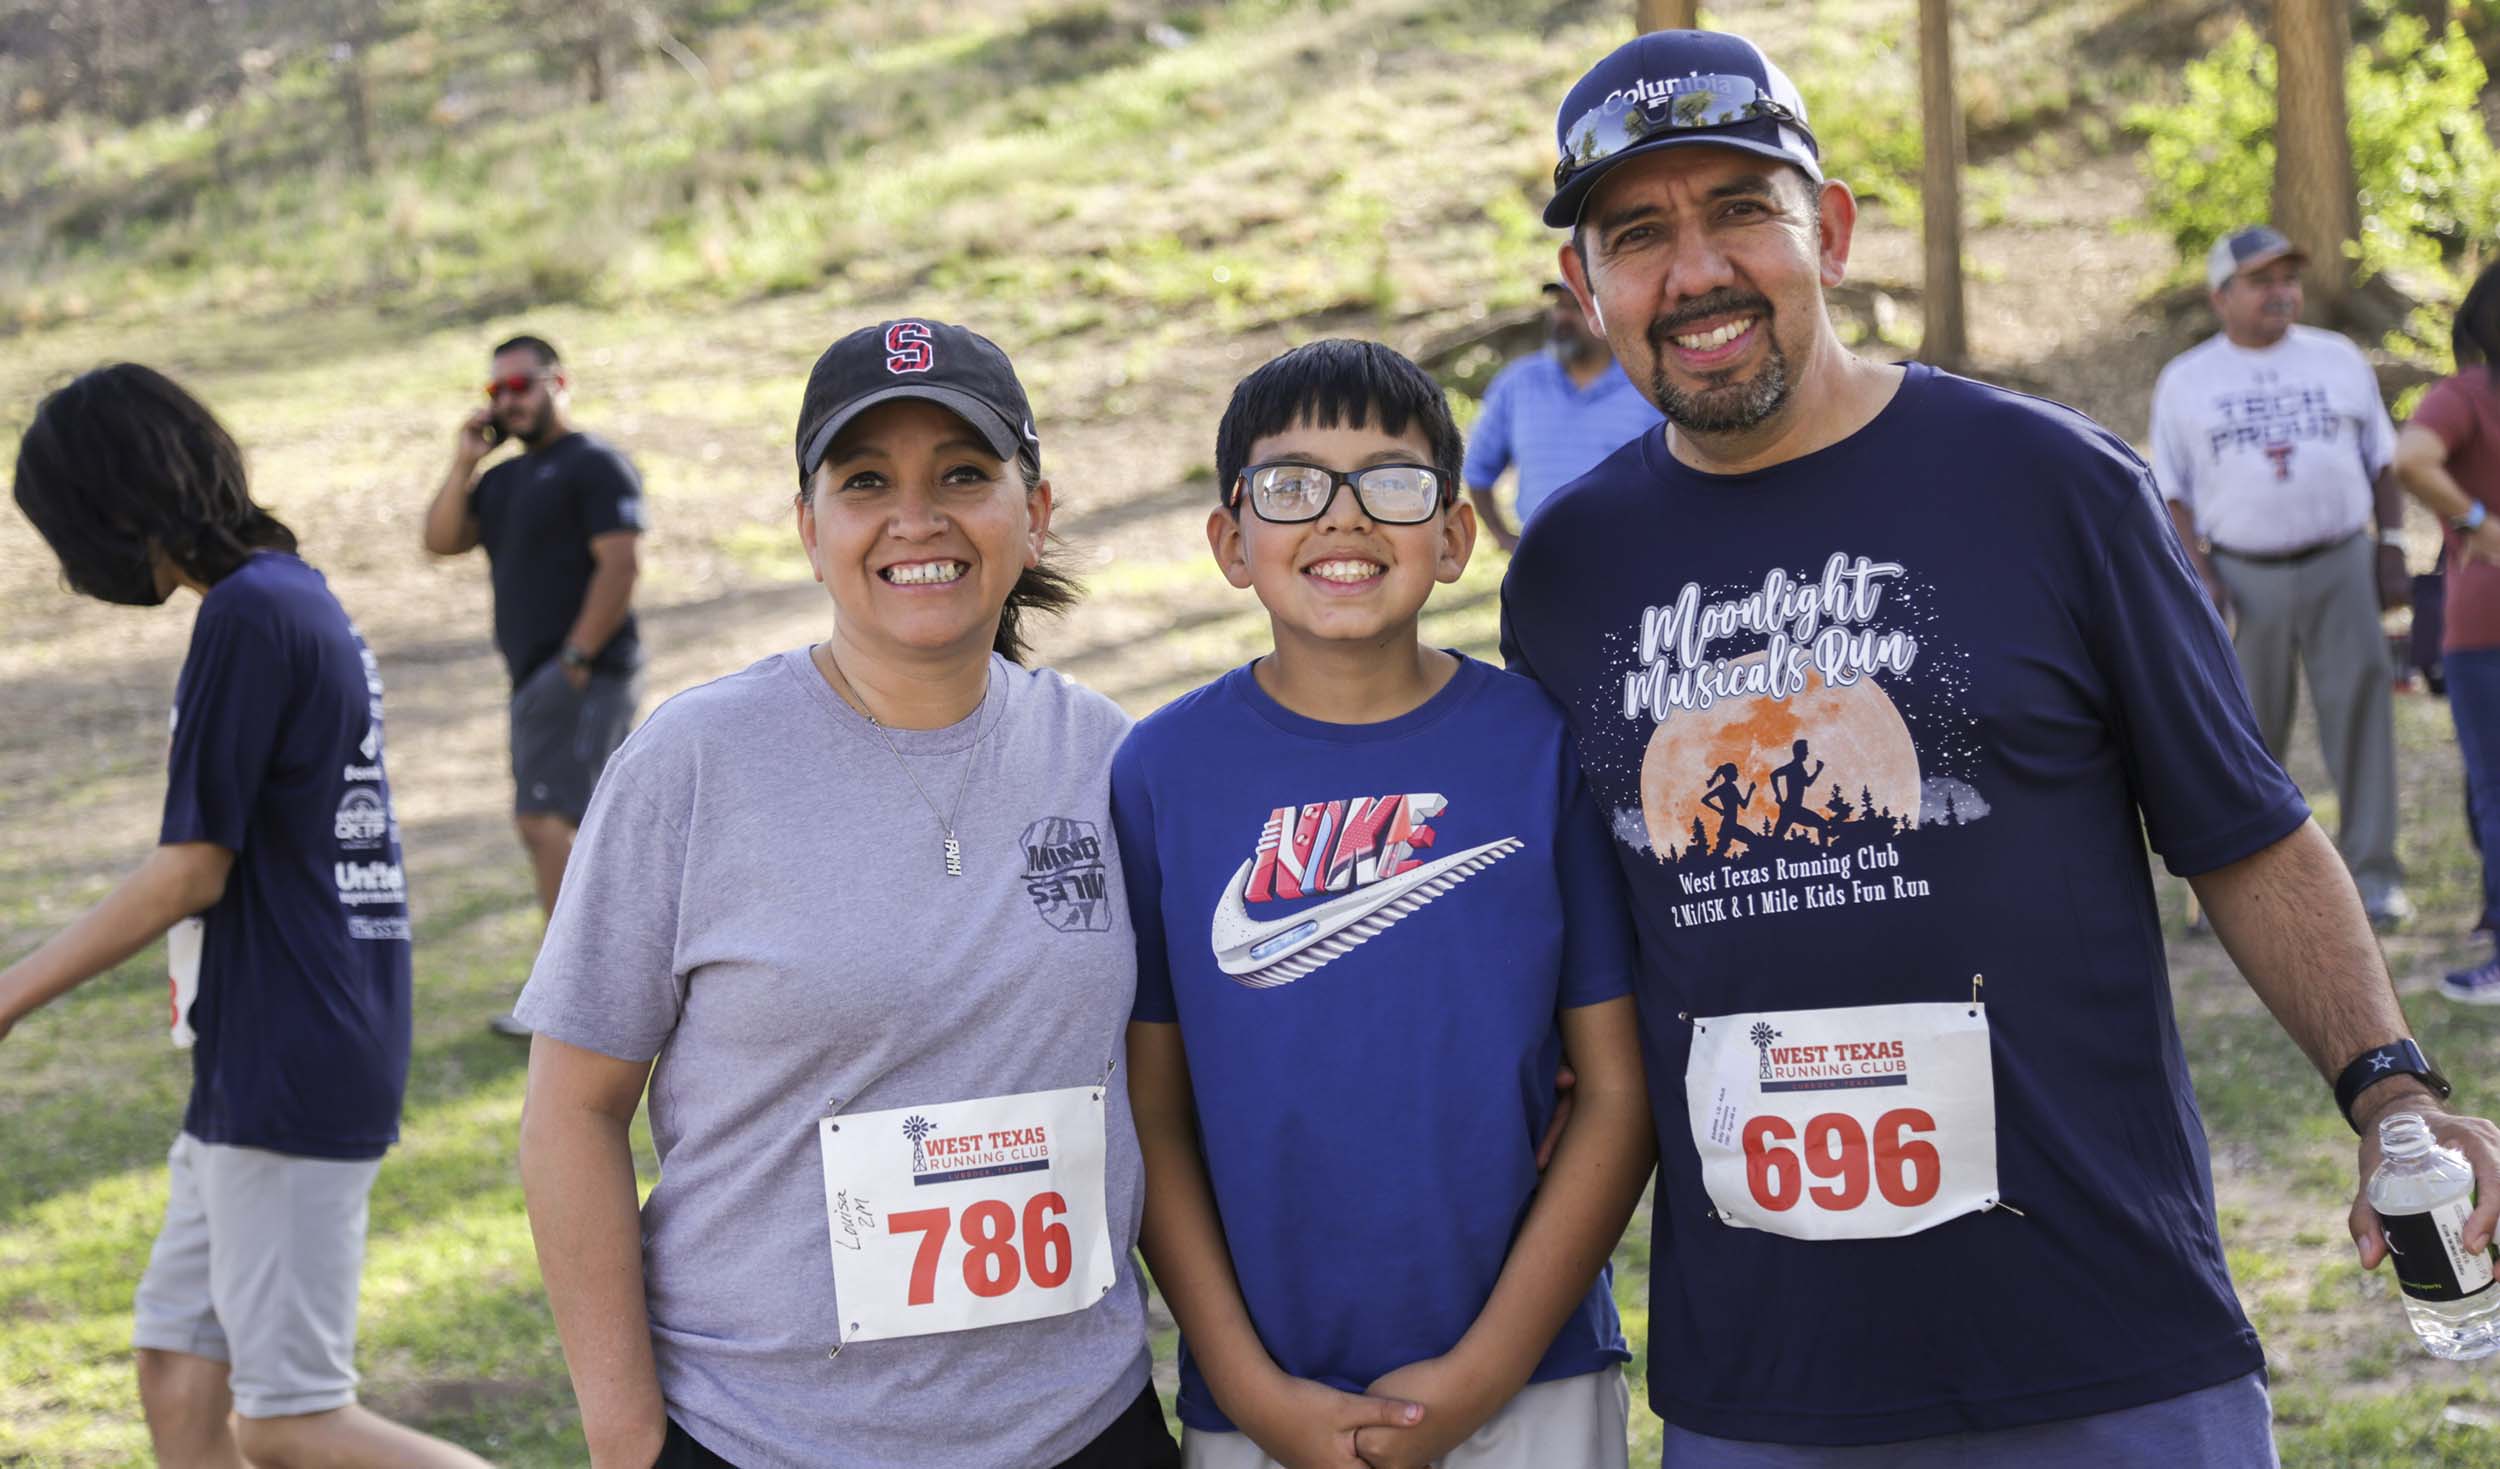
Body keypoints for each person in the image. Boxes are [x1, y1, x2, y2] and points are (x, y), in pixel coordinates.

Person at [1500, 29, 2500, 1463]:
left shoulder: (2051, 487)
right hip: (1768, 1383)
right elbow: (1567, 937)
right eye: (1637, 234)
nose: (1696, 270)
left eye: (1741, 210)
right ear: (1584, 294)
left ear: (1829, 231)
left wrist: (2391, 1087)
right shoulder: (1569, 570)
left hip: (2106, 1347)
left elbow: (2244, 828)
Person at [512, 319, 1176, 1468]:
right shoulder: (695, 762)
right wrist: (627, 1437)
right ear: (809, 526)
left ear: (1037, 507)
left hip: (1078, 1425)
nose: (916, 519)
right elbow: (572, 1109)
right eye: (866, 481)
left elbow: (1180, 1083)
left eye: (964, 475)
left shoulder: (1110, 757)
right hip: (764, 1433)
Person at [1117, 339, 1655, 1469]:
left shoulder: (1538, 748)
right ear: (1231, 539)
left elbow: (1616, 1087)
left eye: (1393, 483)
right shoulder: (1161, 772)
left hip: (1530, 1384)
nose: (1344, 518)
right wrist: (1253, 1390)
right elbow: (1152, 1114)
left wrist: (1482, 1372)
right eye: (1292, 485)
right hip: (1261, 1401)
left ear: (1456, 533)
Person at [0, 365, 488, 1469]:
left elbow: (190, 872)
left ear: (118, 505)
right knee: (179, 1370)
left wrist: (12, 993)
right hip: (261, 1042)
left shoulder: (251, 617)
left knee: (291, 1418)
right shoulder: (285, 594)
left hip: (290, 1048)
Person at [2149, 224, 2412, 929]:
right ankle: (2236, 889)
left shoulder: (2336, 357)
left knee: (2360, 716)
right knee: (2238, 734)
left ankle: (2376, 877)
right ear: (2221, 295)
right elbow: (2170, 493)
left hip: (2340, 560)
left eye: (2288, 278)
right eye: (2263, 280)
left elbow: (2381, 460)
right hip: (2241, 574)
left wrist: (2390, 546)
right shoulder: (2188, 379)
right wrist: (2199, 576)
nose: (2281, 292)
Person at [421, 333, 645, 1037]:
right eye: (497, 391)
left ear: (558, 382)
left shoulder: (595, 464)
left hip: (585, 672)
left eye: (521, 385)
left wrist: (577, 658)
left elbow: (621, 564)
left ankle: (572, 996)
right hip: (535, 678)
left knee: (546, 821)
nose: (509, 400)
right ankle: (599, 988)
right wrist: (464, 460)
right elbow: (440, 538)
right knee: (562, 824)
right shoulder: (504, 479)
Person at [2393, 258, 2500, 1001]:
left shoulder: (2468, 395)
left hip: (2486, 621)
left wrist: (2474, 521)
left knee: (2495, 790)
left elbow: (2411, 457)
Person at [1463, 281, 1664, 552]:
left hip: (1637, 555)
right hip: (1544, 561)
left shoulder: (1645, 383)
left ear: (1607, 315)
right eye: (1559, 307)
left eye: (1577, 308)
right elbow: (1477, 470)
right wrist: (1504, 538)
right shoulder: (1519, 383)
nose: (1563, 318)